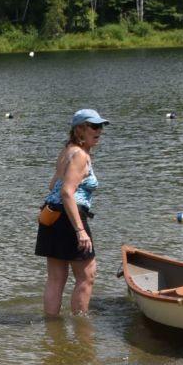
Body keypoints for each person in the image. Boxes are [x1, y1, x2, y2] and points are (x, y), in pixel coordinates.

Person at [35, 108, 106, 317]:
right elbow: (66, 192)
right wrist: (80, 230)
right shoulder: (80, 156)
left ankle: (52, 328)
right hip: (69, 218)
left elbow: (52, 186)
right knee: (87, 276)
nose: (99, 130)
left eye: (100, 126)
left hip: (51, 216)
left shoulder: (67, 150)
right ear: (79, 130)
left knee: (56, 278)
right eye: (94, 126)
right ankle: (81, 326)